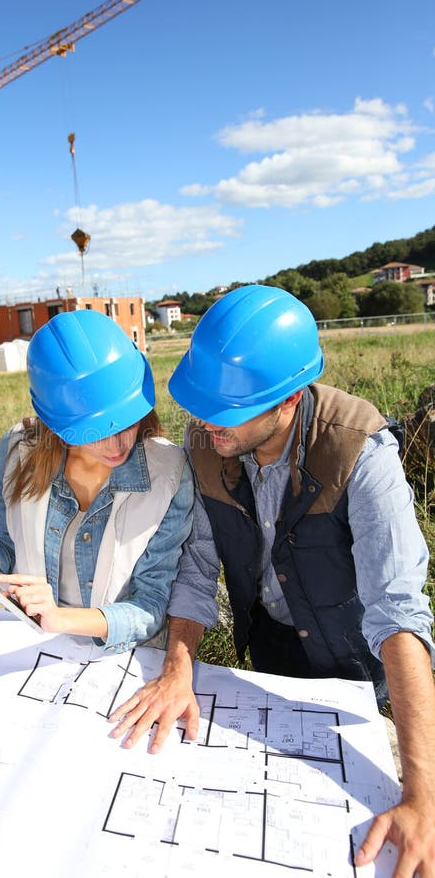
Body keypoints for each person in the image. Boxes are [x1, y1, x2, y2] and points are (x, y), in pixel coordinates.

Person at [109, 285, 435, 874]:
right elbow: (199, 564)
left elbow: (398, 614)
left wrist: (422, 798)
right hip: (271, 655)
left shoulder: (362, 455)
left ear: (287, 401)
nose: (204, 423)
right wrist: (179, 668)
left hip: (365, 673)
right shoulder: (209, 442)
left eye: (225, 411)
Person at [0, 309, 193, 651]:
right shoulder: (15, 452)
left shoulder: (170, 474)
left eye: (126, 422)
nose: (116, 444)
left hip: (122, 662)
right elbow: (10, 551)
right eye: (93, 431)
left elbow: (151, 606)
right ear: (54, 421)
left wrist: (62, 619)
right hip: (33, 651)